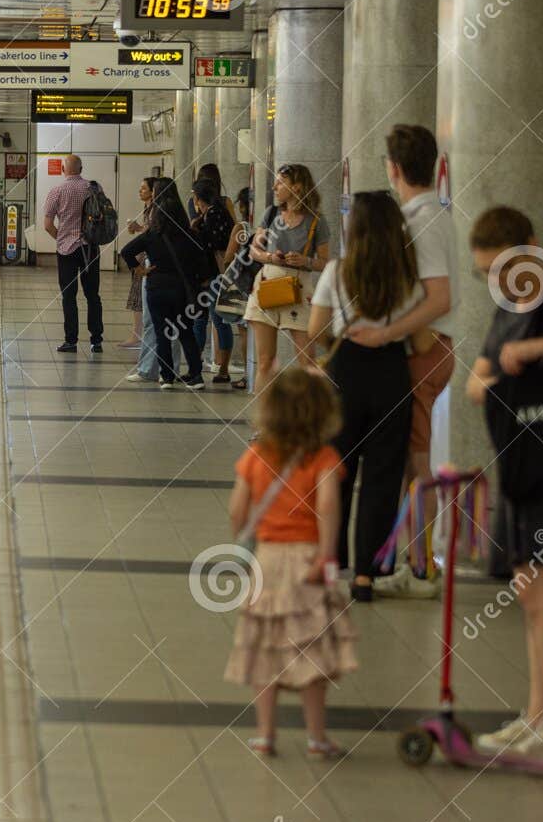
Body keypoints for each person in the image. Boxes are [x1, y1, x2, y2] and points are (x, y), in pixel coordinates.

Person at [464, 207, 543, 756]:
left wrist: (534, 351)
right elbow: (479, 377)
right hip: (521, 461)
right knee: (531, 594)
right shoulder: (510, 309)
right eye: (488, 274)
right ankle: (537, 714)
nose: (500, 283)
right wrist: (499, 370)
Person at [344, 125, 455, 600]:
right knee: (409, 461)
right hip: (431, 347)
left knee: (411, 462)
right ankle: (412, 558)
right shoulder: (437, 214)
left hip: (421, 350)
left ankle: (420, 563)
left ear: (392, 168)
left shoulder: (417, 221)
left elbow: (438, 296)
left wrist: (385, 332)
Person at [223, 367, 355, 758]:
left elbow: (237, 510)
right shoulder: (324, 457)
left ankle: (265, 735)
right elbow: (328, 506)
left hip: (267, 560)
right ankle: (316, 737)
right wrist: (328, 554)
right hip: (306, 559)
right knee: (311, 647)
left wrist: (245, 538)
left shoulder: (255, 455)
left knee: (266, 647)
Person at [307, 190, 421, 602]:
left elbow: (317, 332)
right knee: (383, 476)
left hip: (345, 372)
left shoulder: (337, 271)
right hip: (392, 372)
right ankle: (367, 575)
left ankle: (331, 566)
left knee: (337, 472)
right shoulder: (406, 277)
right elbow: (421, 338)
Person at [244, 164, 329, 385]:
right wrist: (271, 257)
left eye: (281, 183)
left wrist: (305, 261)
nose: (275, 187)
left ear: (297, 187)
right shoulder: (271, 213)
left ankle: (312, 415)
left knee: (307, 359)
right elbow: (254, 251)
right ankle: (264, 417)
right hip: (268, 284)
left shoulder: (316, 221)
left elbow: (325, 262)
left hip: (299, 288)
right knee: (265, 361)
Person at [124, 179, 206, 389]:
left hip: (157, 287)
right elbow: (201, 261)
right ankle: (196, 375)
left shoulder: (153, 234)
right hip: (181, 288)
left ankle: (167, 377)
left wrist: (140, 269)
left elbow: (126, 251)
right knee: (185, 332)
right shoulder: (189, 234)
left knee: (161, 333)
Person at [41, 154, 104, 354]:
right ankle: (96, 341)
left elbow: (47, 225)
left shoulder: (57, 191)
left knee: (69, 296)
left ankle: (71, 341)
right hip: (90, 248)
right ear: (81, 168)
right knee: (92, 295)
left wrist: (62, 238)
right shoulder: (94, 188)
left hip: (66, 251)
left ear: (63, 169)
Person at [191, 175, 240, 385]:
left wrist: (195, 229)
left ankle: (197, 368)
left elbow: (207, 247)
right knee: (220, 321)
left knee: (205, 321)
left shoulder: (211, 216)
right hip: (222, 275)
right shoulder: (220, 213)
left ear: (199, 199)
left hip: (212, 276)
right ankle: (223, 369)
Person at [118, 176, 158, 351]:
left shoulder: (156, 209)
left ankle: (139, 335)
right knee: (136, 295)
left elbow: (152, 233)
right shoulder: (147, 207)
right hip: (141, 254)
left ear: (153, 191)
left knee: (141, 295)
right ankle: (137, 333)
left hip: (148, 256)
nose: (140, 191)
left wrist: (138, 228)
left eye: (143, 188)